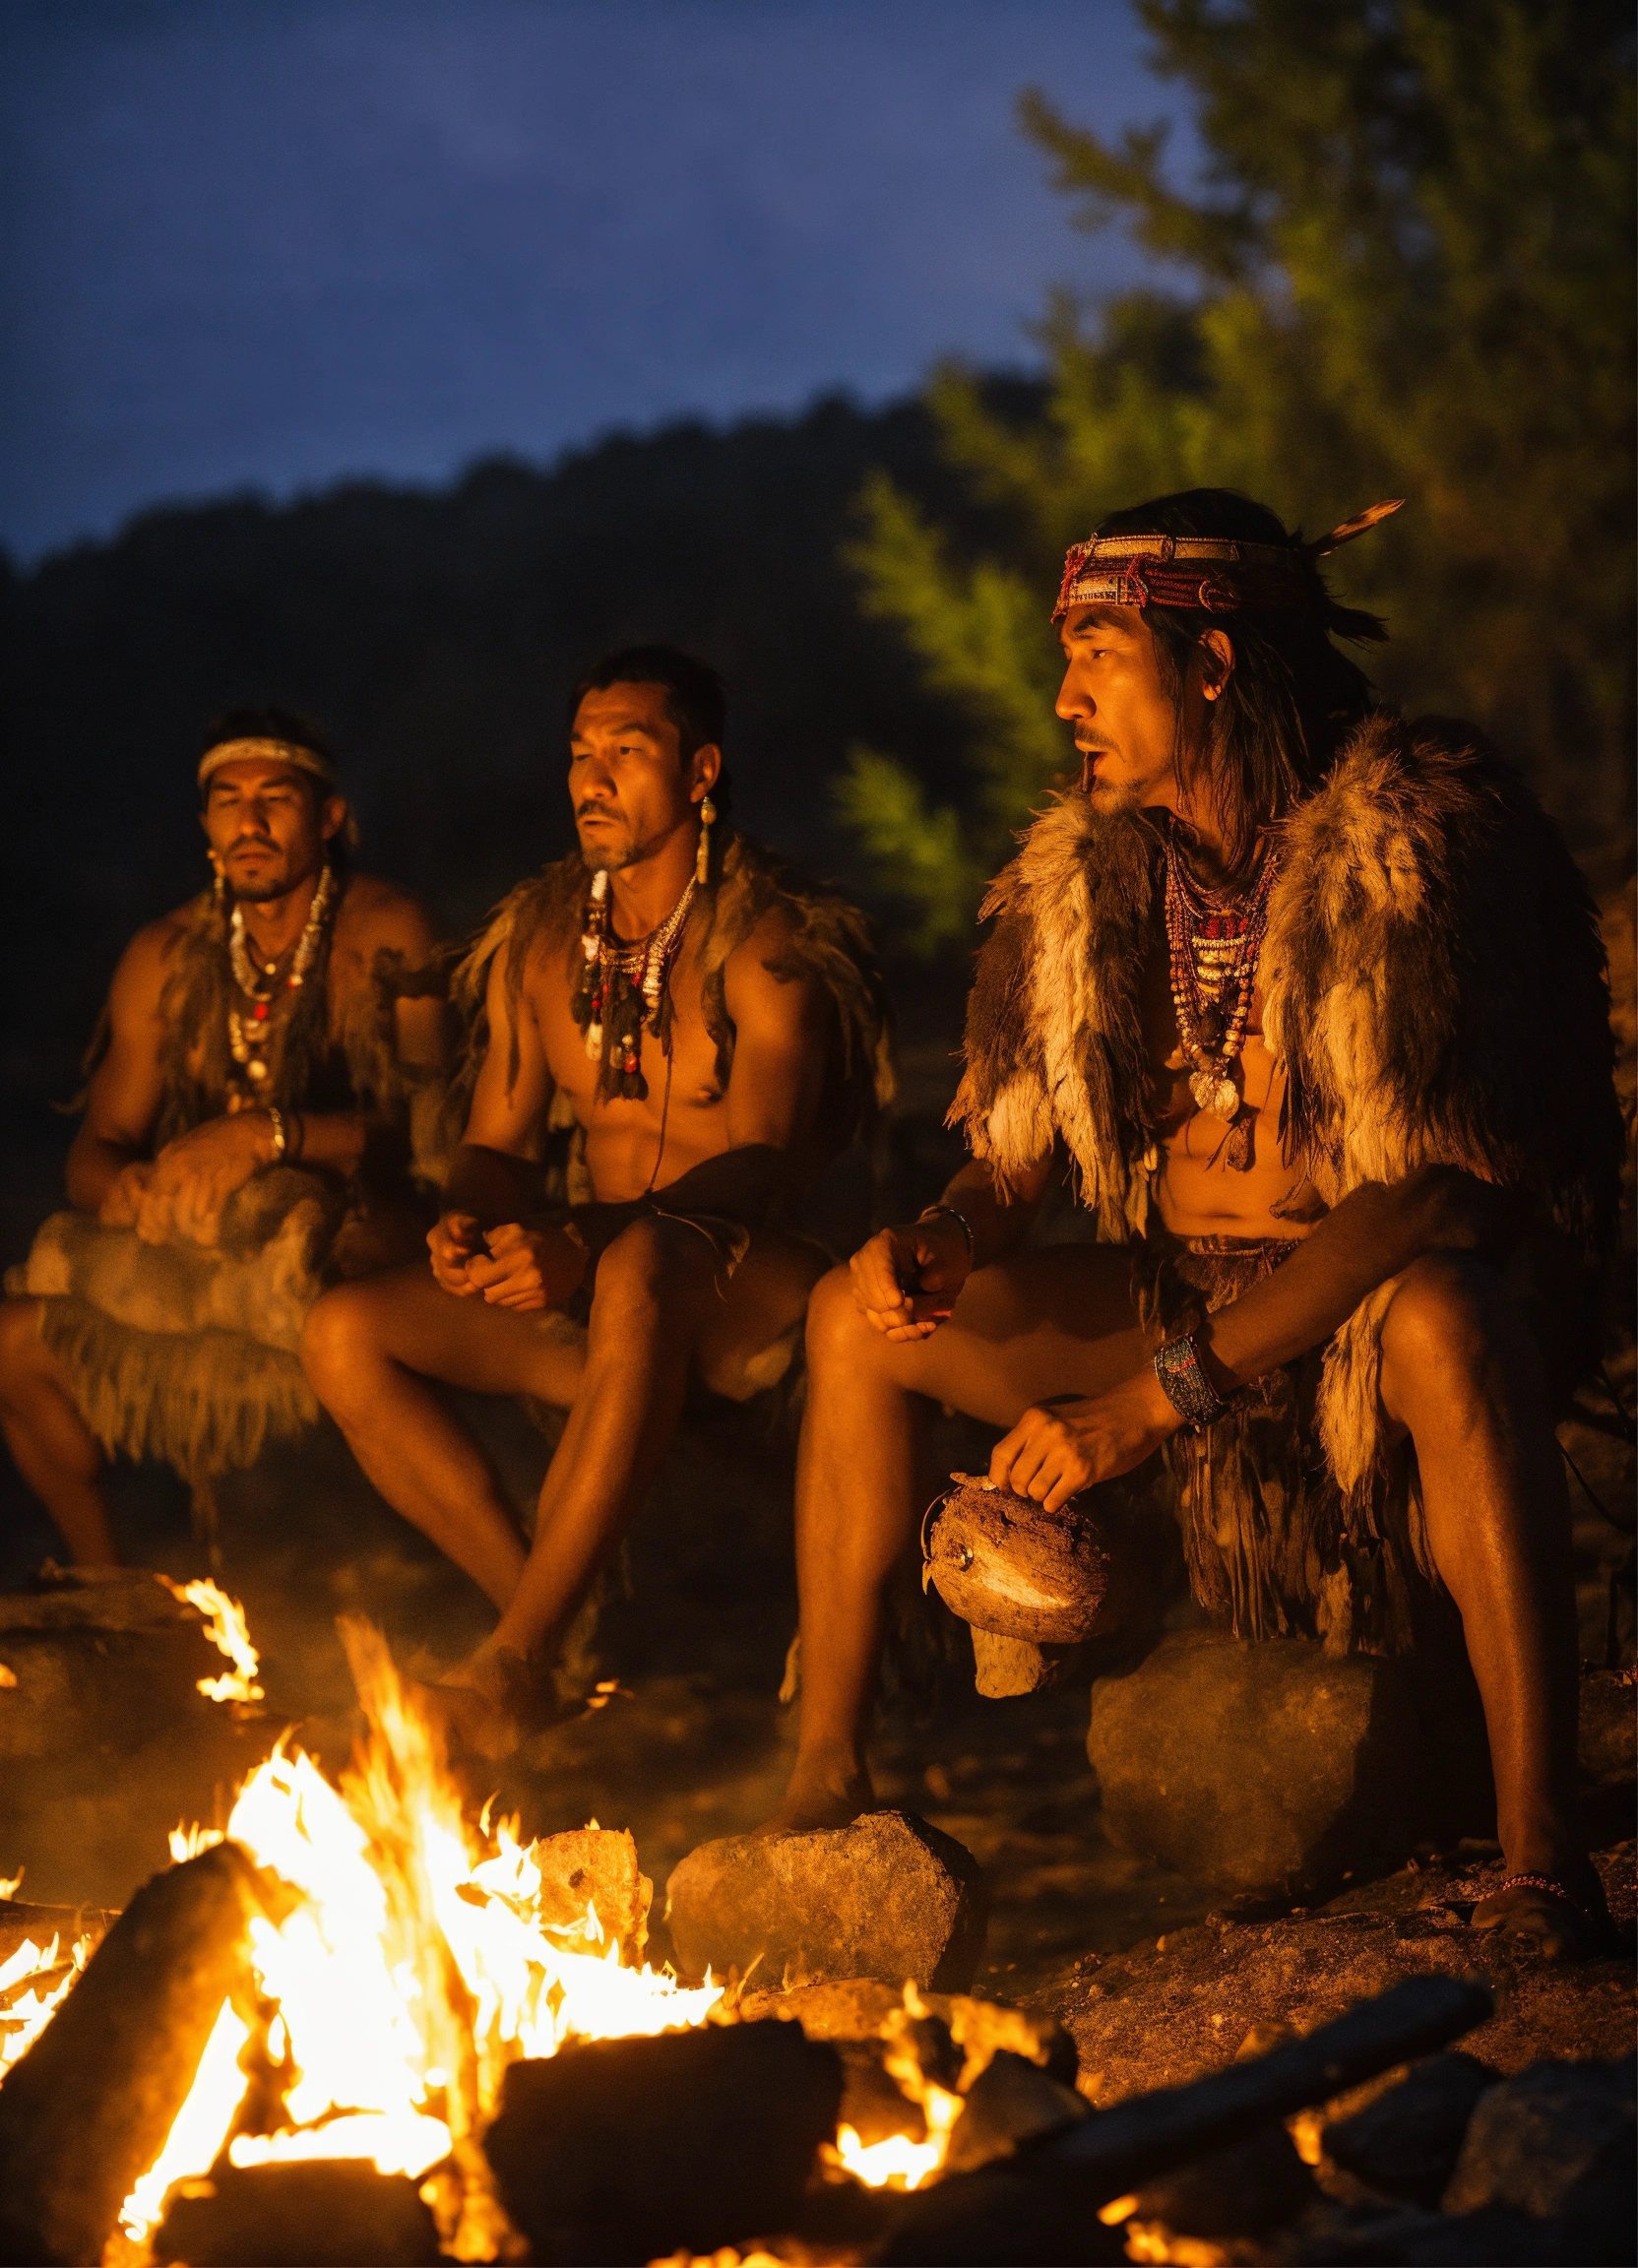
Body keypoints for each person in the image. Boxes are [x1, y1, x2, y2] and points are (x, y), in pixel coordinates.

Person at [771, 489, 1623, 1961]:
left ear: (1213, 665)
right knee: (854, 1316)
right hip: (1181, 1295)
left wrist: (1149, 1402)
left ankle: (1541, 1848)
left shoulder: (1409, 840)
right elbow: (1016, 1146)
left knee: (1448, 1312)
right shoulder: (1089, 878)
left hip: (1368, 1315)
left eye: (1097, 650)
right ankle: (820, 1795)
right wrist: (949, 1237)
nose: (1065, 697)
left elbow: (1430, 1192)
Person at [299, 646, 891, 1752]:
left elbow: (761, 1157)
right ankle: (547, 1630)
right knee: (342, 1331)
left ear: (701, 770)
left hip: (747, 1304)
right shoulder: (540, 940)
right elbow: (497, 1141)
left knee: (641, 1265)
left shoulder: (769, 941)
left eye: (628, 751)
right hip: (593, 1289)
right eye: (580, 754)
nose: (592, 778)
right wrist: (469, 1220)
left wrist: (586, 1239)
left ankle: (514, 1657)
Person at [0, 710, 450, 1564]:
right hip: (203, 1253)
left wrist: (270, 1136)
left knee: (319, 1236)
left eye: (275, 800)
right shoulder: (163, 955)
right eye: (227, 801)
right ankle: (117, 1595)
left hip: (362, 1236)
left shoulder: (387, 933)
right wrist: (128, 1192)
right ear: (205, 826)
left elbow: (434, 1139)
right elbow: (93, 1153)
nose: (249, 823)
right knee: (8, 1342)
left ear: (331, 818)